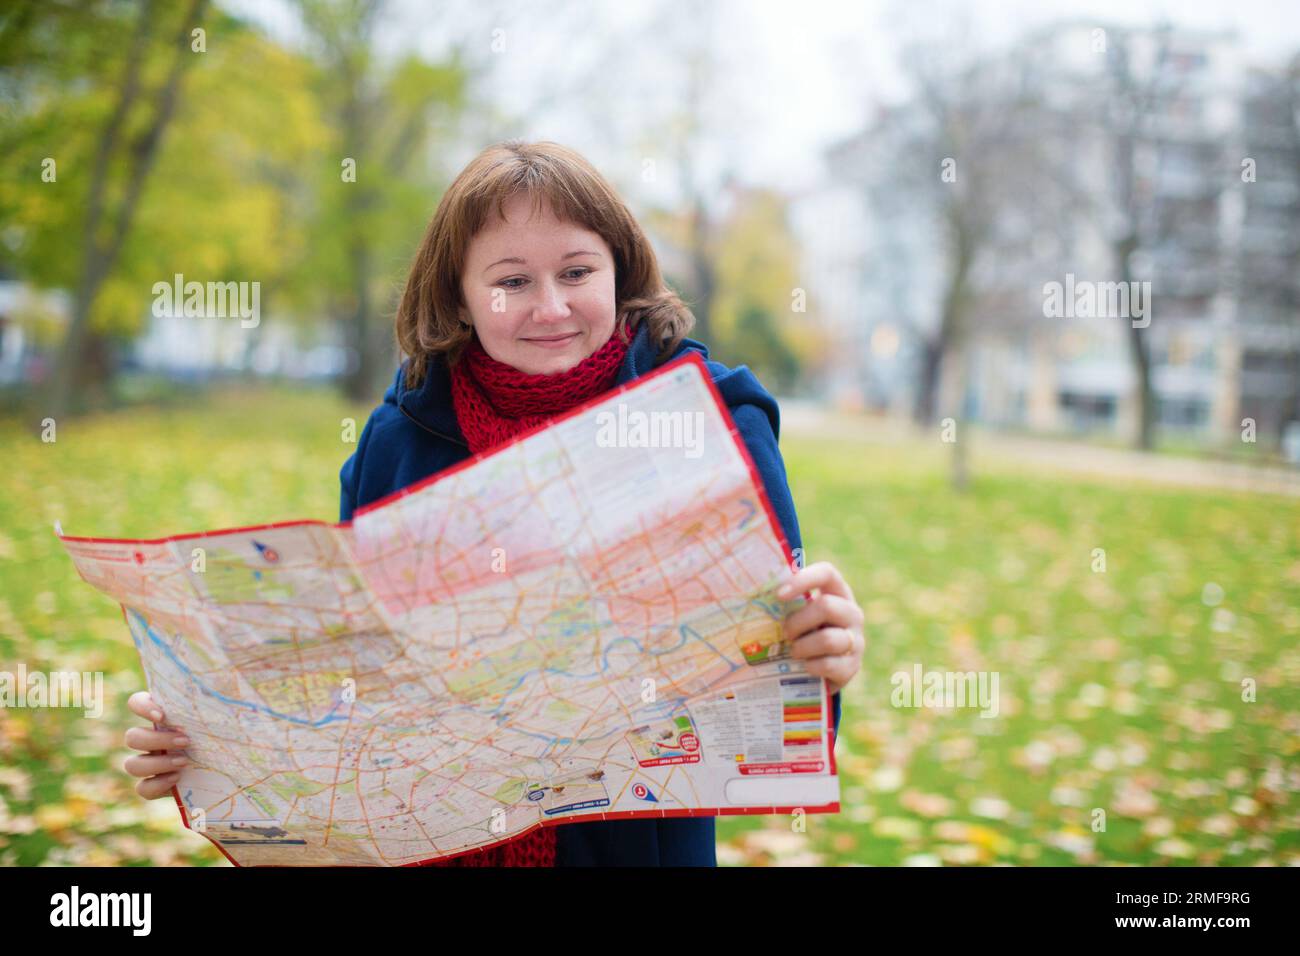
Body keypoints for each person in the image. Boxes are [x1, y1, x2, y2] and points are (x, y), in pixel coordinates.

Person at [123, 139, 865, 866]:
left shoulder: (711, 421)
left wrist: (824, 656)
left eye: (577, 271)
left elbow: (774, 700)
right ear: (460, 297)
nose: (551, 308)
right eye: (511, 282)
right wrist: (207, 745)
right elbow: (351, 694)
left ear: (621, 270)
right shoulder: (395, 440)